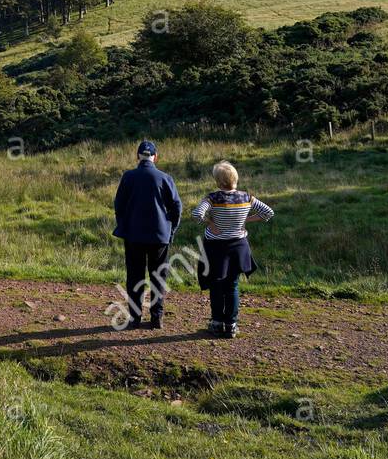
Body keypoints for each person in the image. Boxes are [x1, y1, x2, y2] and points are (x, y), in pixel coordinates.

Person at [191, 160, 273, 339]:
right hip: (238, 247)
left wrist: (210, 222)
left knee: (216, 285)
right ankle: (231, 326)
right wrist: (246, 220)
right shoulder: (246, 197)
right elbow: (268, 212)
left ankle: (216, 323)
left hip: (216, 248)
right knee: (233, 285)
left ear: (218, 181)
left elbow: (197, 214)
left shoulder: (212, 198)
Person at [112, 139, 182, 329]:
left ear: (137, 157)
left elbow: (119, 205)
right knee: (158, 276)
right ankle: (156, 317)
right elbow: (177, 206)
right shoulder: (165, 178)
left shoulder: (128, 177)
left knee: (135, 275)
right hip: (159, 236)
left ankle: (135, 317)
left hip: (133, 235)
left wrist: (124, 226)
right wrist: (171, 230)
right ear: (155, 157)